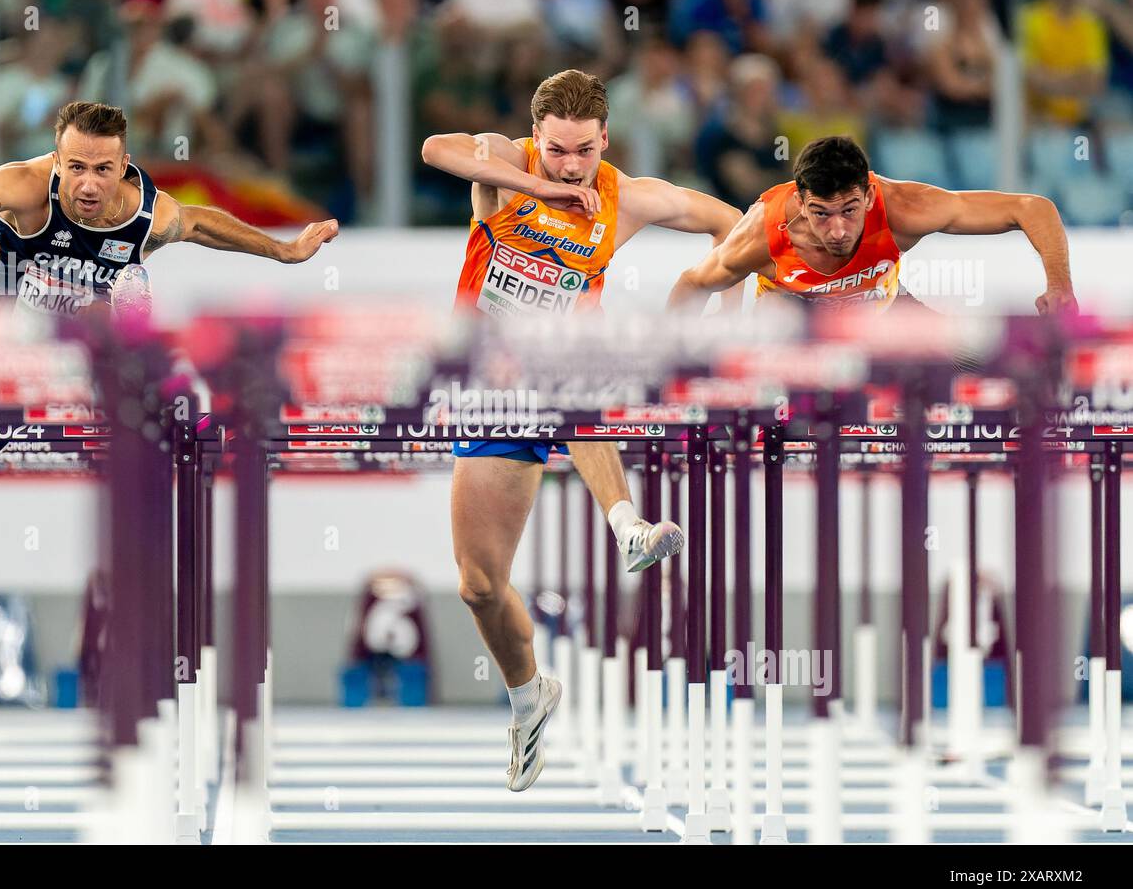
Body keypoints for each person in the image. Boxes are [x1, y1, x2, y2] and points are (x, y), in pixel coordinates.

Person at [421, 69, 741, 790]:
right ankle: (529, 693)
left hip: (565, 375)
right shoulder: (504, 163)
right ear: (537, 137)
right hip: (489, 390)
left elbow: (736, 226)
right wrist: (539, 187)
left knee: (577, 367)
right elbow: (435, 149)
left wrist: (729, 307)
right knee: (478, 585)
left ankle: (628, 524)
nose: (572, 165)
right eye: (558, 150)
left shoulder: (629, 198)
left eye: (584, 153)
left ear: (606, 140)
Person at [0, 100, 338, 533]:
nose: (88, 185)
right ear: (58, 162)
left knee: (124, 306)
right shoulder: (25, 187)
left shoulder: (147, 216)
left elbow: (200, 223)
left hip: (61, 368)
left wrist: (283, 250)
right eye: (76, 168)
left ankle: (134, 342)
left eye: (102, 170)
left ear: (122, 167)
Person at [667, 134, 1077, 318]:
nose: (839, 231)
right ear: (800, 203)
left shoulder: (903, 208)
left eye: (849, 210)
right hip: (791, 323)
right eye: (821, 214)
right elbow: (693, 283)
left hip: (881, 311)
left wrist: (1059, 285)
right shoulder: (763, 233)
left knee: (975, 372)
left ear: (868, 196)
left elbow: (1032, 207)